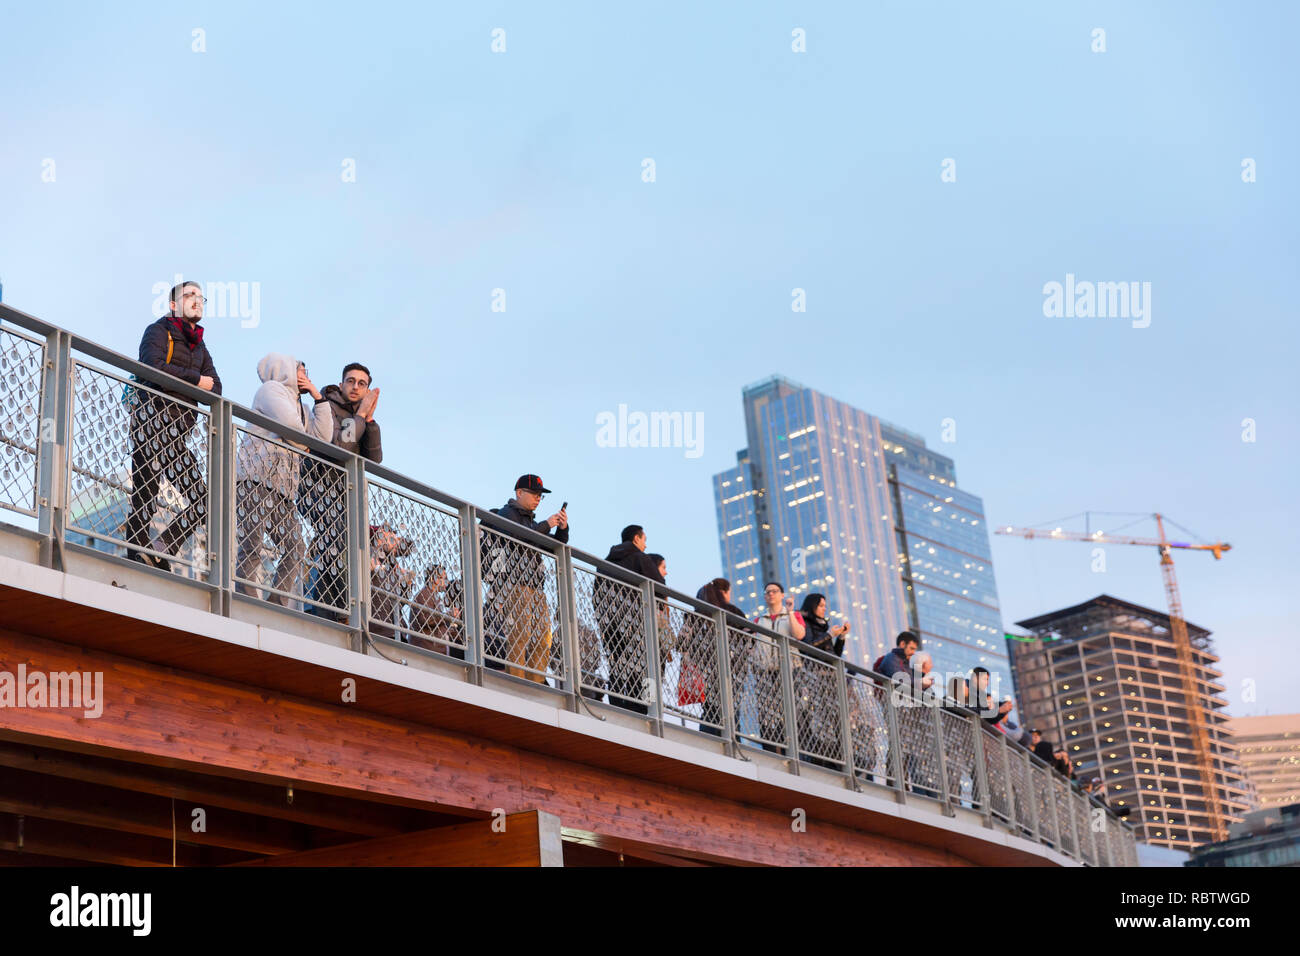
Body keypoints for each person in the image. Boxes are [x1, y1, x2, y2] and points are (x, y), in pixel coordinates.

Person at [125, 280, 221, 571]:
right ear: (173, 304)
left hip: (178, 435)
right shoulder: (158, 331)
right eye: (190, 295)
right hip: (151, 423)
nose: (197, 301)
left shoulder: (200, 346)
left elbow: (216, 389)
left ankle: (160, 549)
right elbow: (152, 368)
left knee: (201, 501)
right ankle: (136, 551)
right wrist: (195, 381)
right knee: (146, 491)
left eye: (201, 298)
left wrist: (199, 383)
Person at [233, 356, 332, 606]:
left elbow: (322, 438)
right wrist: (303, 444)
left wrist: (318, 397)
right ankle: (245, 597)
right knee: (252, 544)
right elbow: (291, 429)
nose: (305, 373)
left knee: (295, 547)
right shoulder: (270, 390)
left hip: (284, 489)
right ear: (286, 368)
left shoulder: (302, 407)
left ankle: (277, 600)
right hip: (255, 478)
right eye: (301, 368)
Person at [301, 362, 381, 618]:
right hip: (315, 486)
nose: (355, 387)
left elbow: (375, 459)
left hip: (343, 494)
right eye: (351, 381)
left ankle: (333, 606)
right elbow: (338, 447)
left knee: (339, 545)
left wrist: (369, 422)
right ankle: (326, 606)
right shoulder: (328, 403)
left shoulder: (361, 415)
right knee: (333, 541)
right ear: (342, 382)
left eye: (362, 383)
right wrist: (359, 418)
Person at [482, 474, 568, 684]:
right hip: (515, 585)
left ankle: (536, 682)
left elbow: (554, 547)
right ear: (519, 493)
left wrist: (562, 529)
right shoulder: (507, 513)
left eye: (541, 495)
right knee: (519, 637)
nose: (538, 498)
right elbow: (520, 536)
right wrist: (546, 524)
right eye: (534, 494)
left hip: (536, 587)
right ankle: (517, 681)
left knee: (541, 641)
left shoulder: (533, 523)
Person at [596, 525, 665, 714]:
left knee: (617, 663)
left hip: (611, 623)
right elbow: (660, 587)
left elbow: (597, 594)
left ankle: (617, 704)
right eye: (644, 539)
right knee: (645, 666)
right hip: (637, 621)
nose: (645, 544)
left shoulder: (605, 563)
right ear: (636, 538)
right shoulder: (640, 558)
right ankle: (644, 709)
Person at [368, 523, 415, 640]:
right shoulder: (370, 552)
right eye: (392, 539)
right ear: (381, 534)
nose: (396, 544)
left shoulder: (391, 565)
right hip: (379, 627)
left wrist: (406, 584)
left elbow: (400, 602)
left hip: (397, 629)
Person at [409, 564, 464, 656]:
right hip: (426, 648)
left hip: (433, 649)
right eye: (444, 578)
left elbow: (440, 625)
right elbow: (426, 619)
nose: (446, 582)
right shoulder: (424, 594)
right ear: (435, 579)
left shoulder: (434, 597)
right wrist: (448, 615)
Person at [798, 593, 848, 657]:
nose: (824, 609)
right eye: (821, 606)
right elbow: (808, 647)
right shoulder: (805, 622)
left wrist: (842, 636)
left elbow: (835, 656)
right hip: (815, 665)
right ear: (812, 606)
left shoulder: (823, 626)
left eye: (825, 606)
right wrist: (830, 634)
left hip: (829, 666)